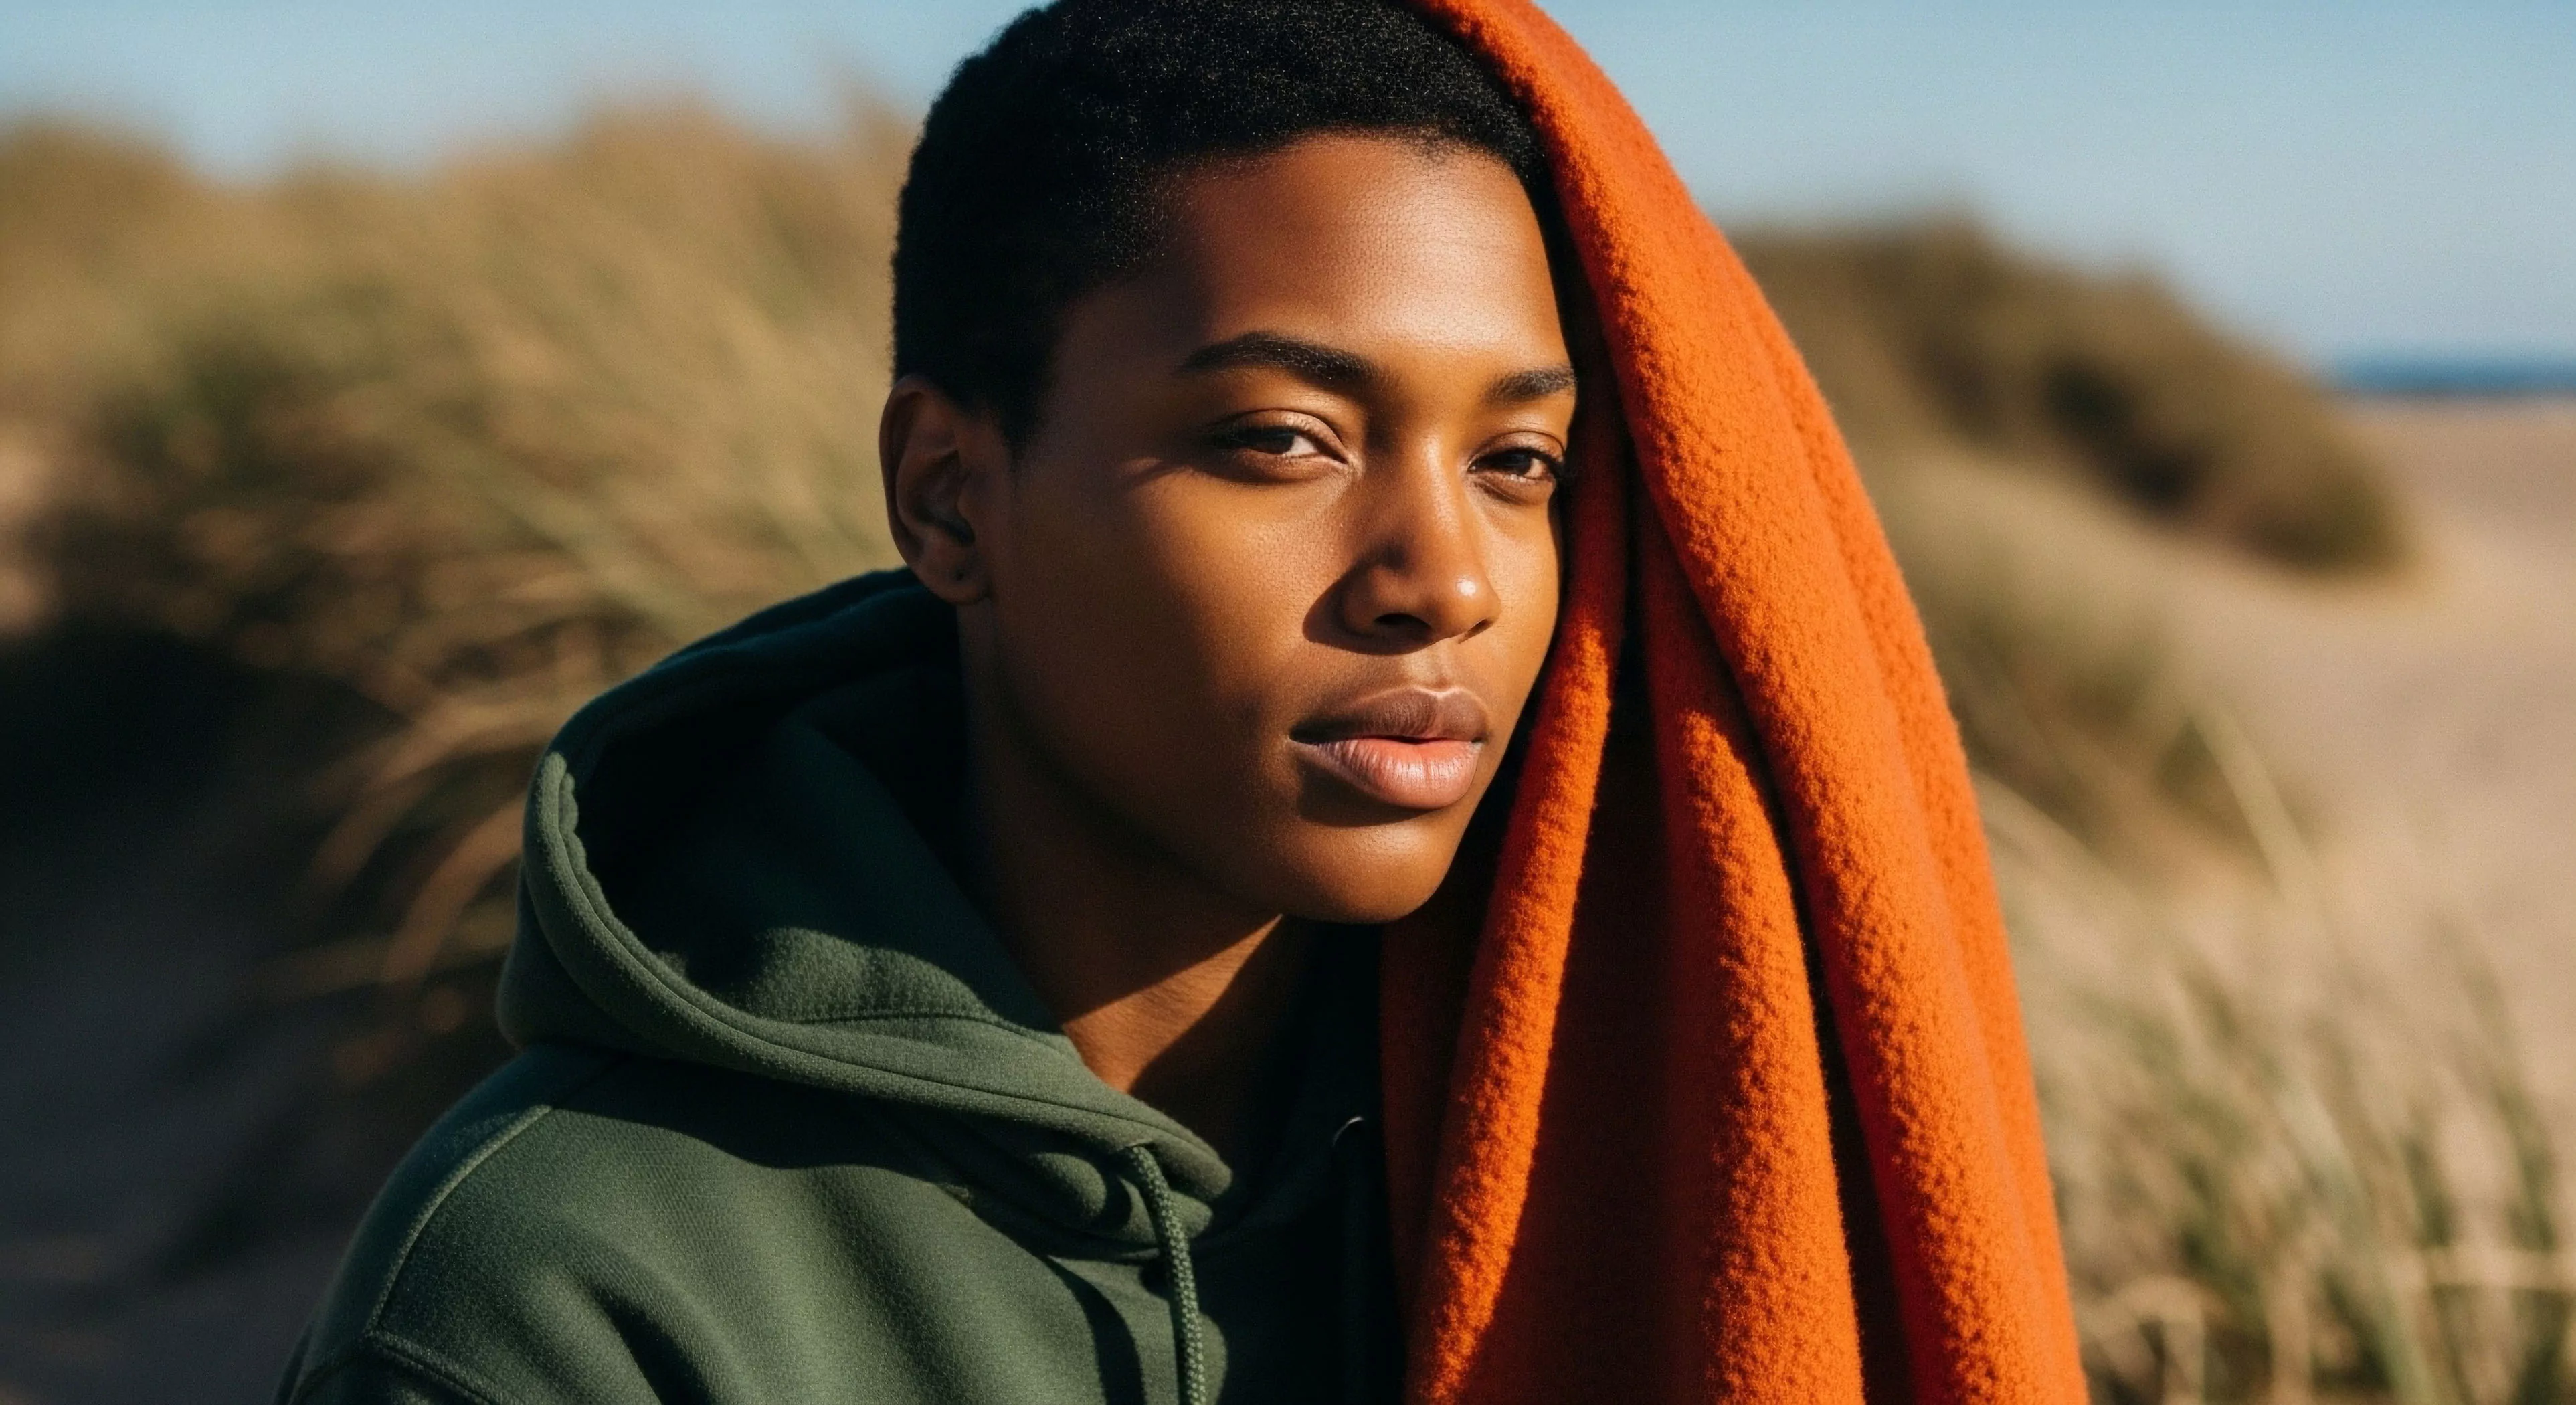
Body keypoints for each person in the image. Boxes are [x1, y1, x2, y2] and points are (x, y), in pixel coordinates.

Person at [276, 1, 2082, 1402]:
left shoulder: (1583, 1146)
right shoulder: (558, 1295)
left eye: (1521, 458)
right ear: (948, 495)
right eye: (1282, 439)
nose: (1442, 575)